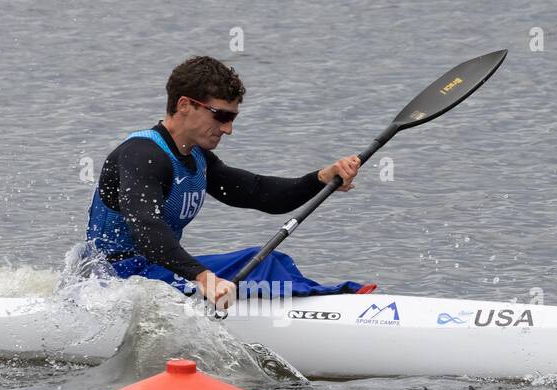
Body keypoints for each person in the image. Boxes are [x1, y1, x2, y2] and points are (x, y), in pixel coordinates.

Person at [86, 55, 370, 309]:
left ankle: (326, 302)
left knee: (268, 261)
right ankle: (329, 306)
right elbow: (147, 229)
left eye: (232, 118)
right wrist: (203, 277)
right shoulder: (142, 155)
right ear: (185, 105)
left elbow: (259, 193)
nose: (228, 129)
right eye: (221, 116)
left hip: (156, 271)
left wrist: (320, 178)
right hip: (113, 282)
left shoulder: (197, 158)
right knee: (265, 265)